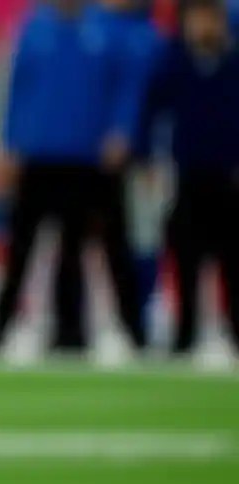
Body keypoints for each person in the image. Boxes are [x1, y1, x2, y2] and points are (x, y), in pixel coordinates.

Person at [0, 0, 146, 353]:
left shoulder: (107, 28)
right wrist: (10, 141)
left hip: (90, 156)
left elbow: (126, 87)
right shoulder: (34, 27)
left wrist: (121, 130)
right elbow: (18, 87)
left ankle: (92, 334)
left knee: (89, 247)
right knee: (20, 247)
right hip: (40, 154)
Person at [143, 0, 239, 354]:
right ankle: (185, 337)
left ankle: (233, 334)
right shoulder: (173, 64)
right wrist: (150, 158)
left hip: (230, 178)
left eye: (209, 20)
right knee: (186, 259)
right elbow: (152, 112)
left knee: (232, 262)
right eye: (196, 20)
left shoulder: (233, 66)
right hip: (185, 176)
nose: (203, 28)